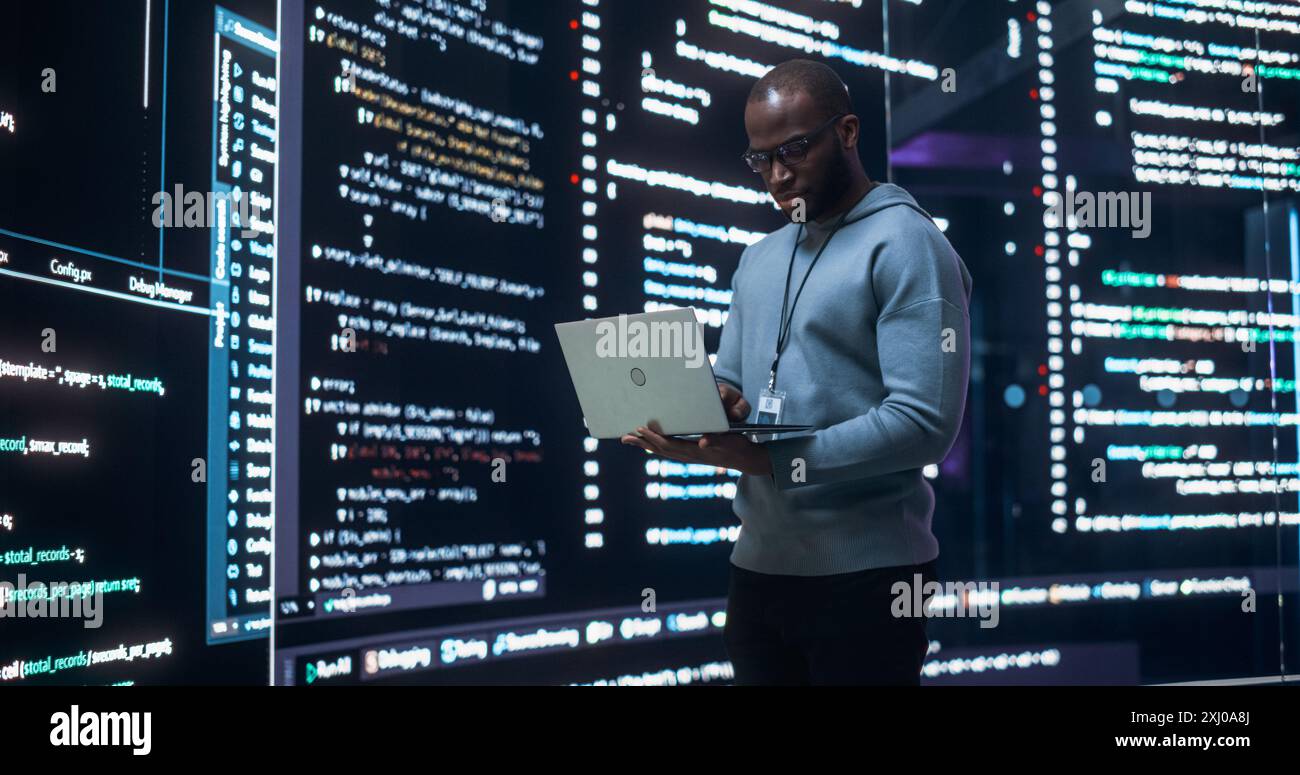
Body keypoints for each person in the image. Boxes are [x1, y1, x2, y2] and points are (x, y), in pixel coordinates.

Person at [621, 59, 972, 685]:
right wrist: (709, 406)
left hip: (870, 580)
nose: (778, 177)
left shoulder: (908, 243)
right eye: (761, 160)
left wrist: (776, 460)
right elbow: (734, 384)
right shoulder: (757, 259)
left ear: (848, 132)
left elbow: (923, 425)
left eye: (795, 150)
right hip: (759, 571)